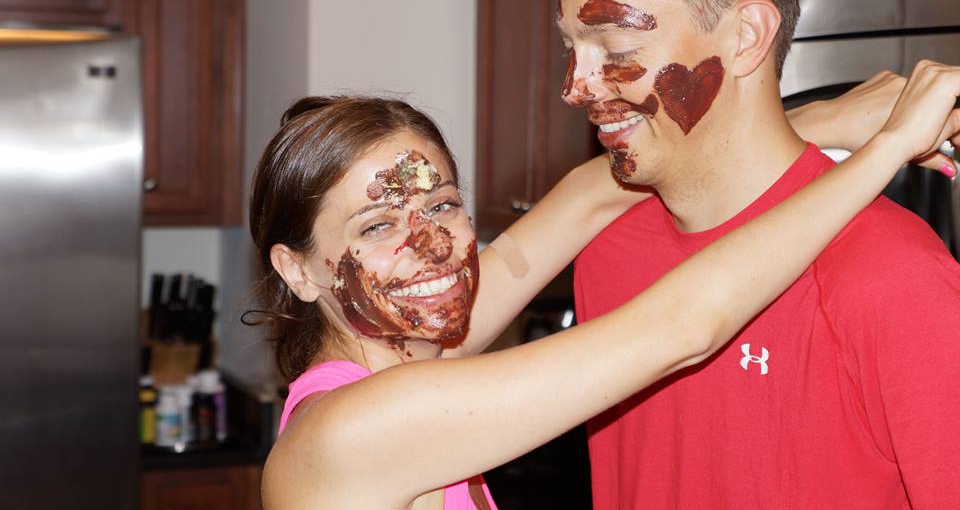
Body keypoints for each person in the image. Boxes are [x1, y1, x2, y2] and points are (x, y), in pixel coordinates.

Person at [249, 75, 959, 509]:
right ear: (297, 269)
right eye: (376, 225)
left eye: (442, 205)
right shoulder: (357, 430)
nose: (431, 245)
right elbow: (683, 326)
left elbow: (588, 196)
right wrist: (888, 149)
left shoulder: (412, 352)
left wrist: (823, 120)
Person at [554, 0, 960, 508]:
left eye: (617, 47)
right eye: (570, 47)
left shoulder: (893, 276)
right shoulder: (606, 249)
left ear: (745, 36)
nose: (576, 89)